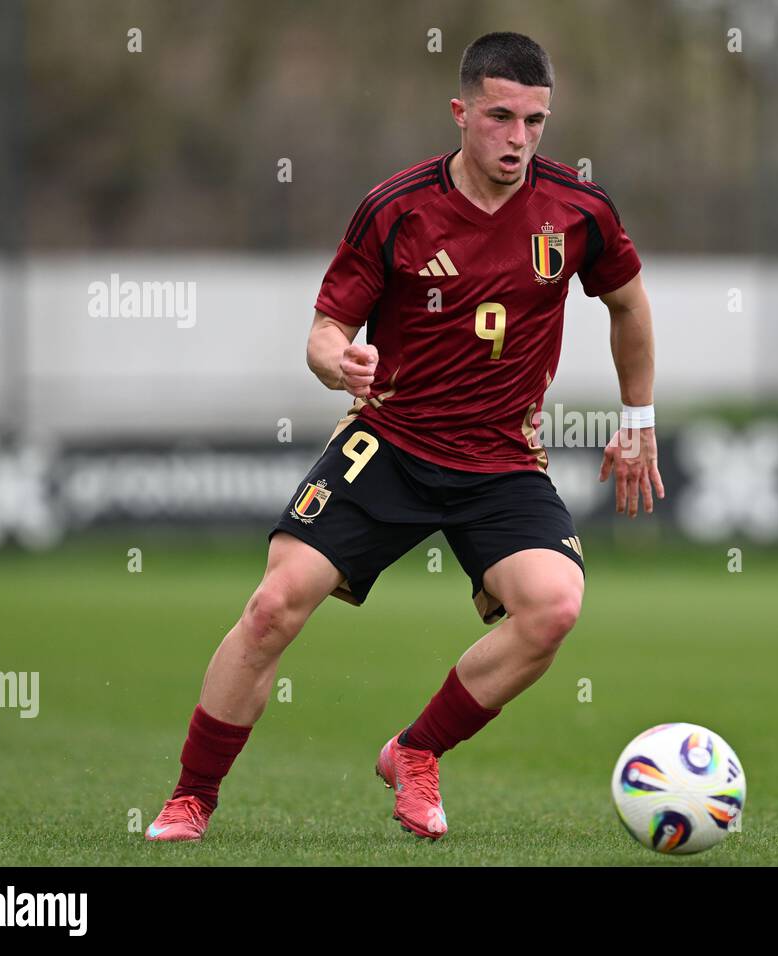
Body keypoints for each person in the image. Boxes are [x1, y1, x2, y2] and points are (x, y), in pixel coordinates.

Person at [145, 31, 663, 842]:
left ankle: (416, 752)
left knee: (554, 607)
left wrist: (637, 421)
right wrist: (337, 364)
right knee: (275, 604)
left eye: (536, 121)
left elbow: (629, 304)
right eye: (501, 118)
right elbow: (324, 332)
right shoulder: (396, 209)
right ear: (461, 113)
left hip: (500, 459)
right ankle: (192, 796)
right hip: (389, 441)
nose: (519, 140)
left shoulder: (578, 209)